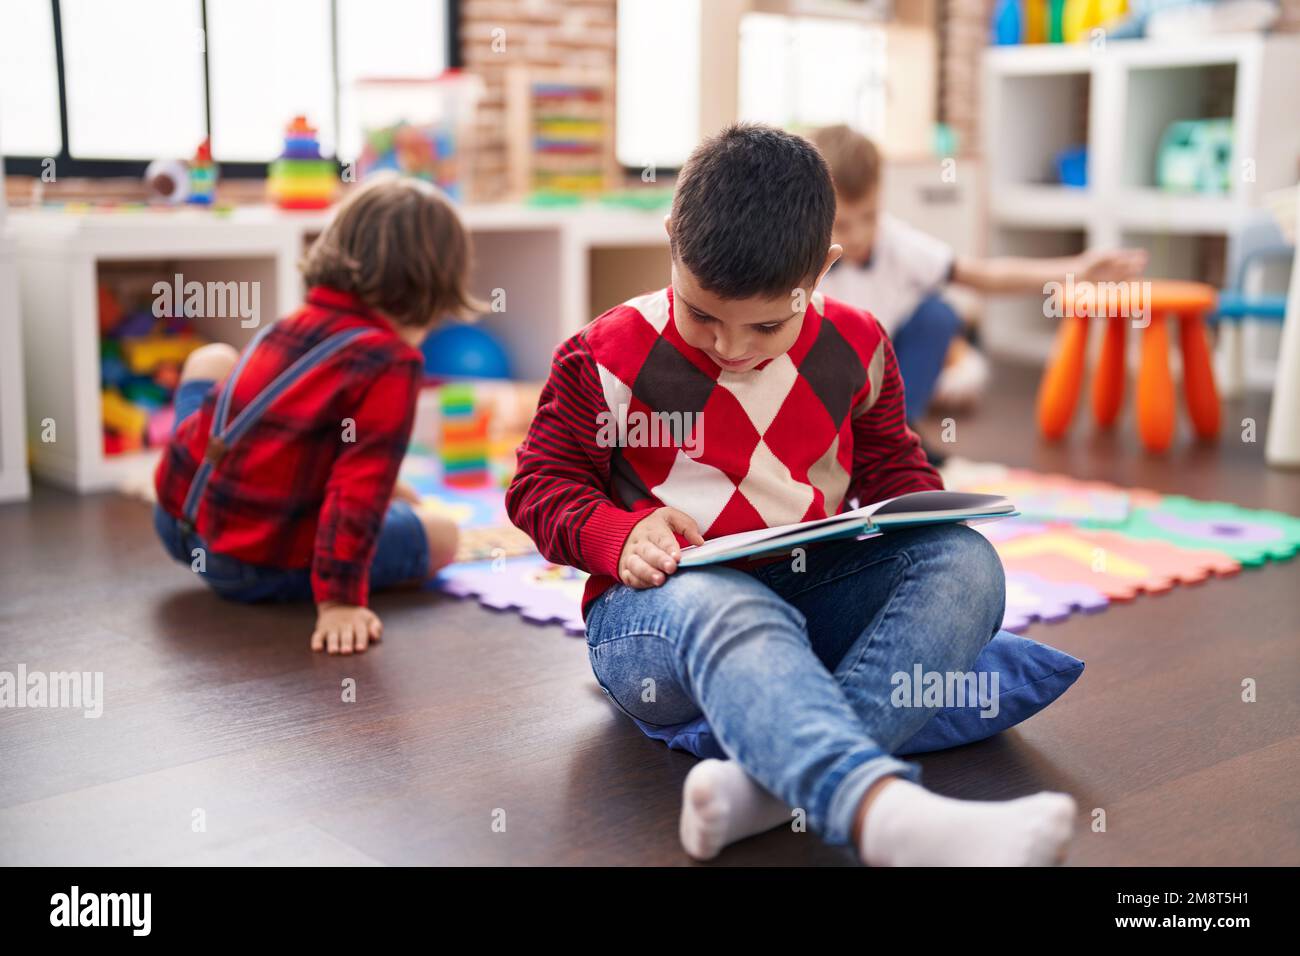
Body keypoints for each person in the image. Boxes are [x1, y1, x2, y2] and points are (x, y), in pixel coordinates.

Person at [506, 124, 1076, 864]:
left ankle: (769, 788)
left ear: (825, 265)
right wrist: (620, 533)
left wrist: (921, 514)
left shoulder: (861, 345)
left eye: (767, 324)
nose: (731, 347)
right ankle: (880, 813)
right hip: (658, 623)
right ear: (672, 239)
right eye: (702, 313)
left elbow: (893, 469)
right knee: (728, 602)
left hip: (809, 600)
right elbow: (540, 485)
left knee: (967, 565)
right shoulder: (602, 355)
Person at [153, 177, 469, 654]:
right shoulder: (392, 364)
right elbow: (355, 494)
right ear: (435, 285)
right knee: (444, 537)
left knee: (213, 360)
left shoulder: (296, 320)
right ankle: (333, 579)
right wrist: (340, 602)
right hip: (246, 565)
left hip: (177, 521)